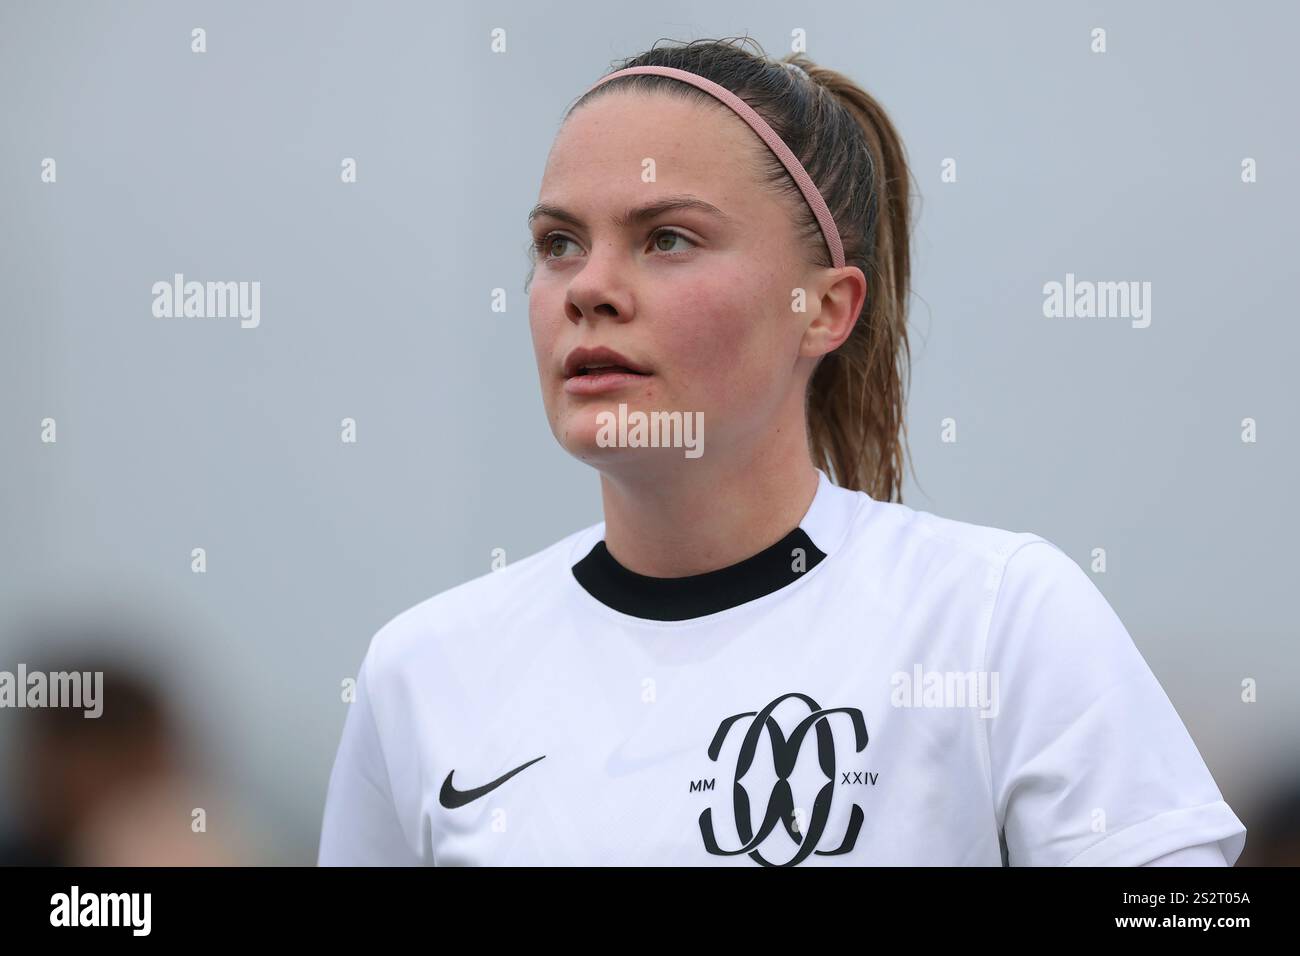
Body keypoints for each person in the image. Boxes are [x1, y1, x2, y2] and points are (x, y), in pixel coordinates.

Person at [317, 38, 1245, 867]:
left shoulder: (995, 617)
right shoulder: (424, 671)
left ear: (827, 309)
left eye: (666, 239)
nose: (589, 288)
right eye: (558, 243)